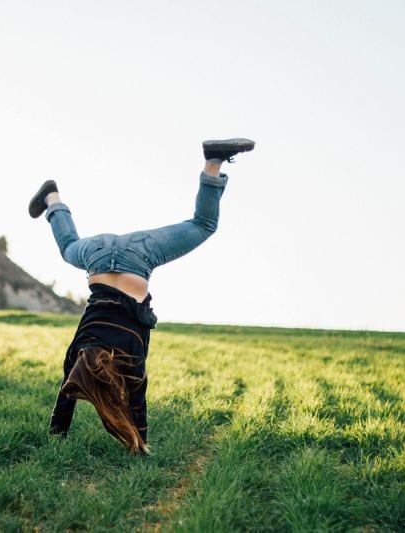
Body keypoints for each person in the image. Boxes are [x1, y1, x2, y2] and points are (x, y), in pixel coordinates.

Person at [29, 138, 255, 453]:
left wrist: (140, 445)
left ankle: (213, 162)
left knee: (203, 225)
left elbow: (137, 400)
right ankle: (53, 199)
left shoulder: (131, 356)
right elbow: (64, 397)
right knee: (69, 248)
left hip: (139, 256)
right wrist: (55, 437)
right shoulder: (79, 352)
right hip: (97, 252)